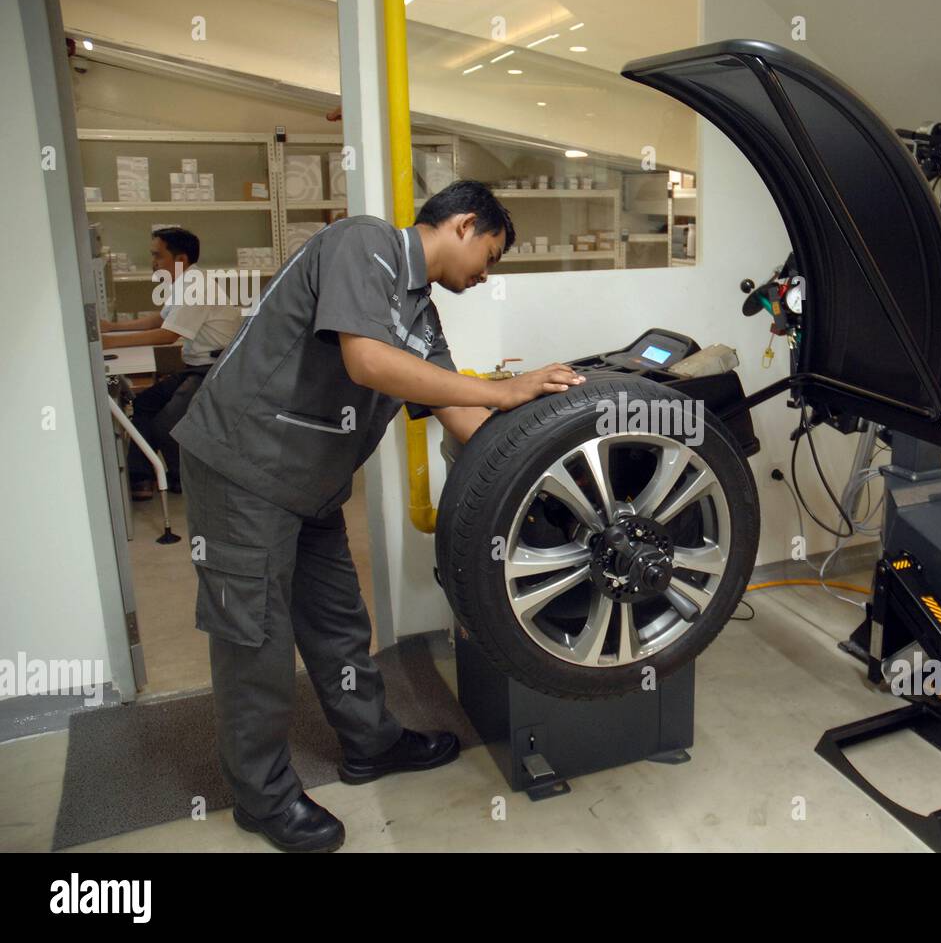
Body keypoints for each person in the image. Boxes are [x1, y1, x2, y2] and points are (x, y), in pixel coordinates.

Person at [170, 181, 585, 852]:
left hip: (310, 484)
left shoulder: (422, 315)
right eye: (491, 253)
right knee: (256, 637)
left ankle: (371, 742)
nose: (486, 275)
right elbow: (366, 361)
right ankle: (262, 796)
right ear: (464, 223)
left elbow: (467, 420)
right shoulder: (364, 244)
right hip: (244, 467)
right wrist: (503, 386)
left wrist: (556, 466)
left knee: (337, 622)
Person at [102, 228, 241, 498]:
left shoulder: (197, 287)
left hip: (214, 371)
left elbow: (168, 335)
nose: (153, 262)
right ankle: (140, 478)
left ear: (180, 259)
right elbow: (160, 320)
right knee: (143, 404)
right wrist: (112, 328)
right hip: (196, 367)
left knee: (168, 424)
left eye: (158, 255)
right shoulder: (186, 282)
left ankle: (181, 478)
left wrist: (112, 342)